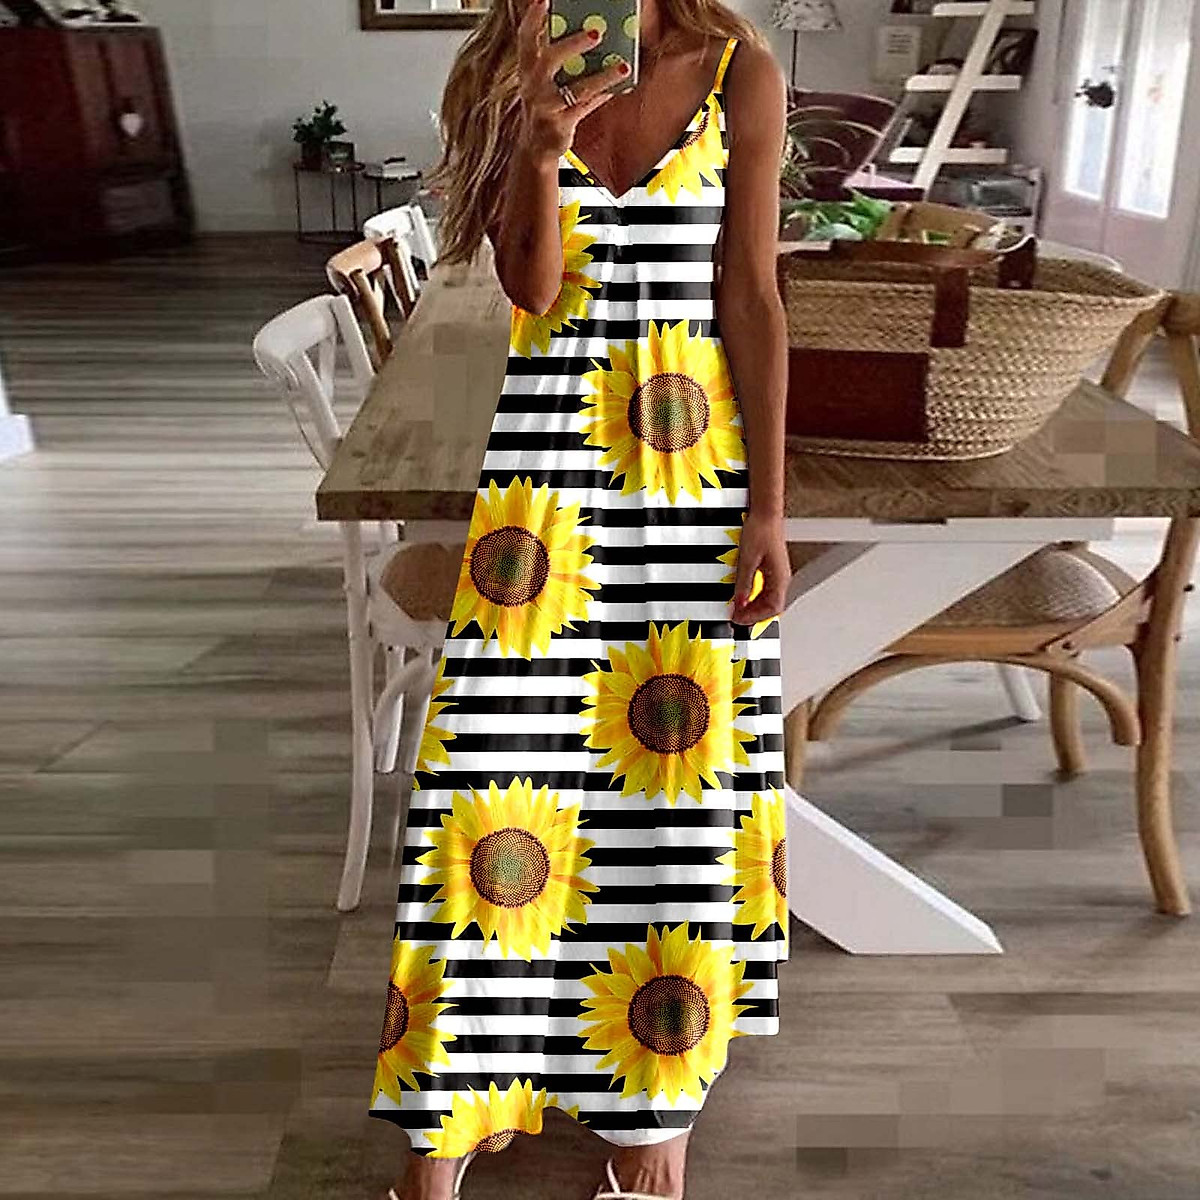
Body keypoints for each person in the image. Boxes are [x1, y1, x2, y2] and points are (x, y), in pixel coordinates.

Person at [371, 0, 790, 1196]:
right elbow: (533, 287)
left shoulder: (738, 73)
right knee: (494, 778)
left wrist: (767, 509)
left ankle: (653, 1118)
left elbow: (753, 297)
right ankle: (455, 1106)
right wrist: (538, 141)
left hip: (690, 478)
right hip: (545, 480)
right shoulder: (512, 72)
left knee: (673, 791)